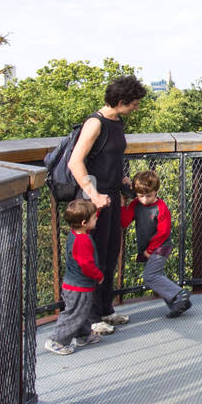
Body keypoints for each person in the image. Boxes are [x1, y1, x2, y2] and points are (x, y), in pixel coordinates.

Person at [67, 74, 148, 336]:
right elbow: (75, 162)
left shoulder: (117, 122)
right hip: (95, 201)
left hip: (112, 196)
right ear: (121, 100)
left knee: (111, 253)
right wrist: (93, 193)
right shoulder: (95, 123)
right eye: (134, 103)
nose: (136, 108)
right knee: (95, 256)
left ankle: (105, 309)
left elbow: (110, 158)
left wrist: (122, 181)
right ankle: (91, 318)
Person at [121, 169, 191, 318]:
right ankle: (177, 303)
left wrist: (150, 250)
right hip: (149, 248)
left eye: (149, 195)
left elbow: (163, 232)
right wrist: (123, 204)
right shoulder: (135, 205)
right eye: (141, 196)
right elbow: (124, 222)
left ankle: (180, 294)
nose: (145, 199)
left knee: (150, 276)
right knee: (158, 275)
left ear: (156, 191)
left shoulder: (161, 208)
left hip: (161, 247)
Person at [45, 200, 106, 355]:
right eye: (94, 218)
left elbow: (88, 218)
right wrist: (98, 275)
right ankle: (57, 340)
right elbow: (86, 265)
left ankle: (83, 335)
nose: (96, 219)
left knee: (82, 311)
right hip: (79, 287)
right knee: (74, 313)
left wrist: (97, 208)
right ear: (84, 222)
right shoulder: (83, 240)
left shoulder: (75, 233)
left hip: (73, 285)